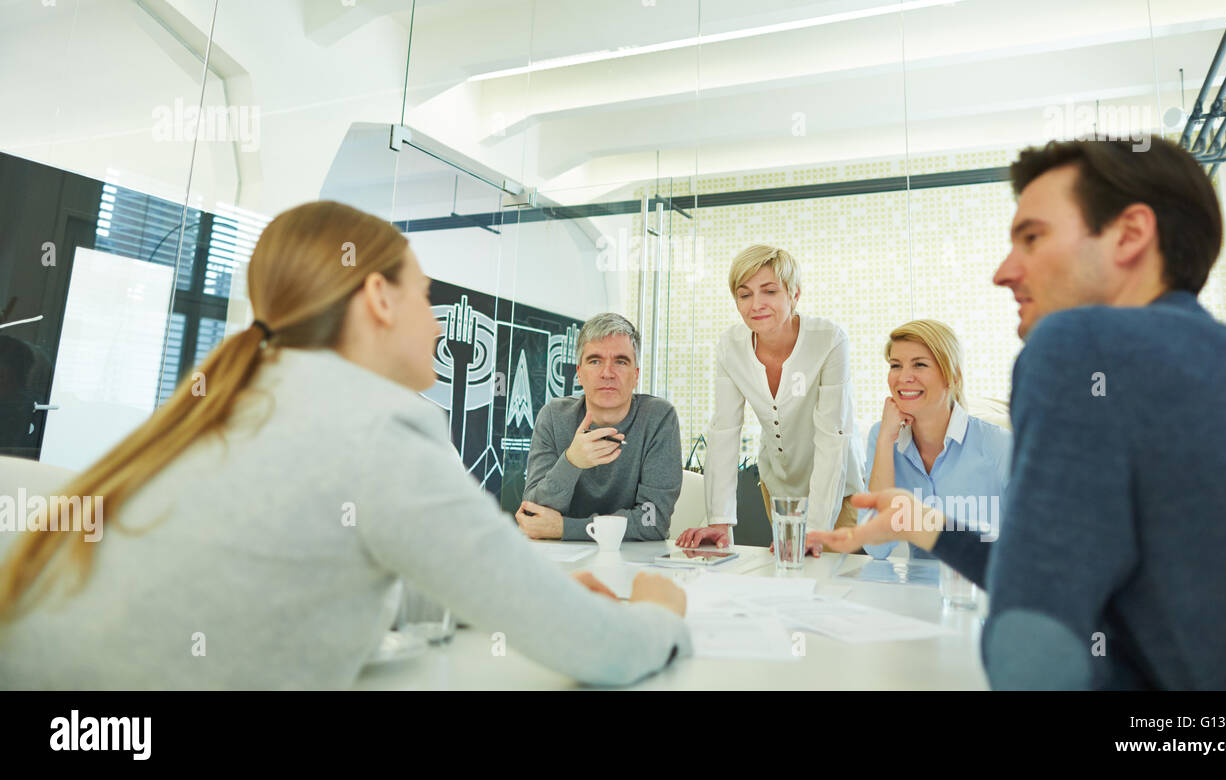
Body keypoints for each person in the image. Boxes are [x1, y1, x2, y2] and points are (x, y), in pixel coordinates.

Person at [0, 201, 690, 688]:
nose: (440, 329)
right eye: (426, 298)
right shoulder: (378, 426)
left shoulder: (236, 398)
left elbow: (348, 563)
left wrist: (538, 586)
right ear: (380, 300)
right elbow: (601, 652)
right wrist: (659, 611)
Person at [812, 136, 1226, 689]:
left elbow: (1037, 645)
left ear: (1131, 234)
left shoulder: (1075, 342)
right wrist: (929, 528)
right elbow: (1057, 576)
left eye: (1033, 238)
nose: (1004, 271)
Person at [676, 245, 865, 555]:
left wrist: (815, 529)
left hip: (837, 490)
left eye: (769, 291)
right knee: (788, 579)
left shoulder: (829, 340)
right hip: (779, 488)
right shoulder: (730, 346)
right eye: (744, 294)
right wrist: (719, 521)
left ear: (794, 294)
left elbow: (834, 436)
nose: (756, 304)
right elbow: (724, 431)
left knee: (832, 581)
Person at [517, 313, 682, 541]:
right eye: (595, 361)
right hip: (563, 560)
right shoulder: (554, 416)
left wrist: (565, 528)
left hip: (635, 560)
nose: (607, 373)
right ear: (579, 374)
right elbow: (532, 514)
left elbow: (652, 522)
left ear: (635, 376)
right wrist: (572, 461)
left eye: (621, 361)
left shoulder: (658, 418)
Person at [863, 319, 1011, 560]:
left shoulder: (998, 445)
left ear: (952, 377)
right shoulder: (882, 438)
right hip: (918, 593)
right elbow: (876, 546)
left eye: (919, 365)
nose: (904, 377)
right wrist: (884, 441)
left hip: (987, 590)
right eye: (896, 365)